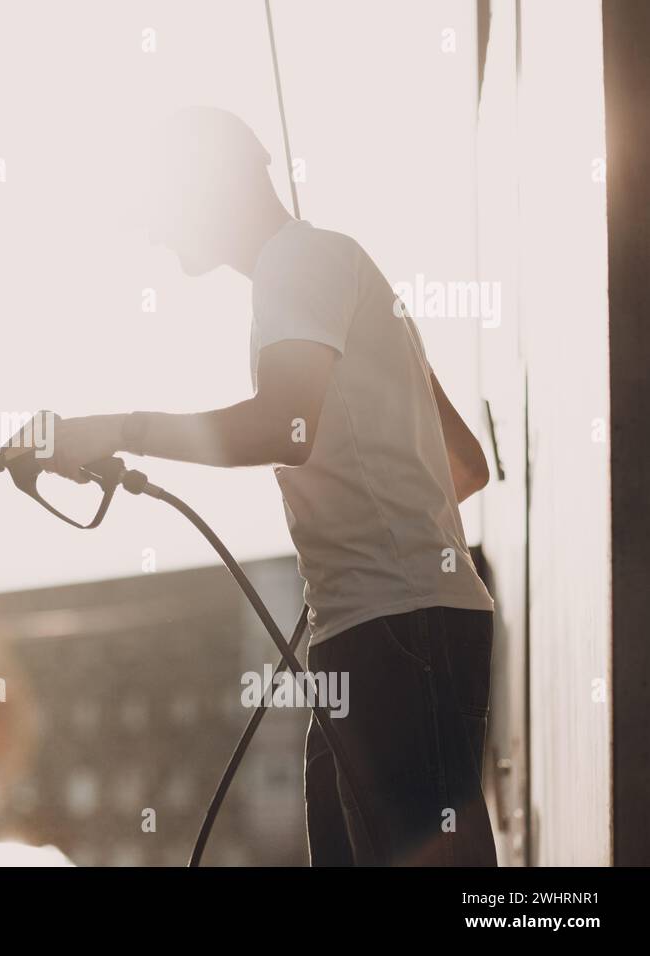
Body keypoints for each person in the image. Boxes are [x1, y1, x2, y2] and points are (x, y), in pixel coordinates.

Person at [40, 106, 497, 866]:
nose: (157, 231)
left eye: (163, 207)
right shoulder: (337, 269)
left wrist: (116, 428)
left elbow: (287, 427)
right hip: (390, 623)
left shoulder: (298, 264)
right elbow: (466, 467)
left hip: (393, 630)